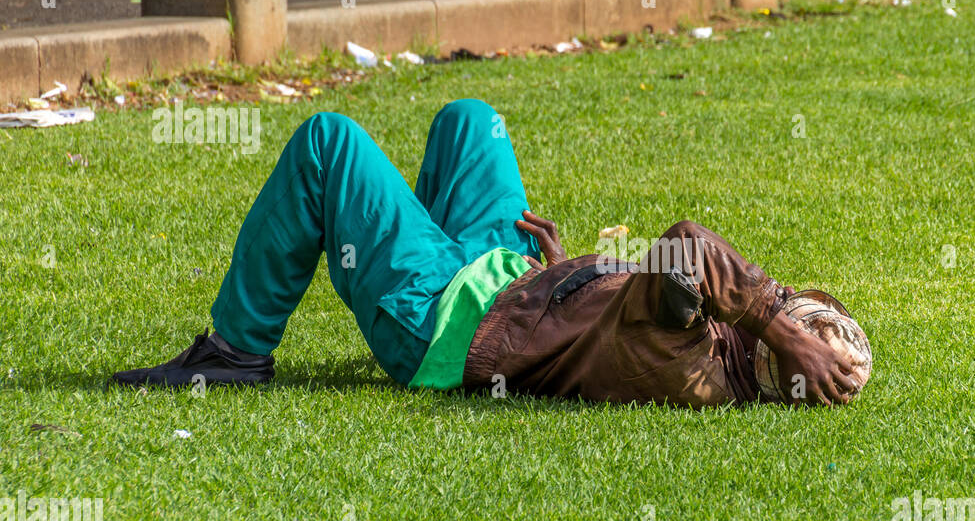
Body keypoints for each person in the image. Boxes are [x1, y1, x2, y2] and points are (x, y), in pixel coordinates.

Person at [112, 100, 871, 407]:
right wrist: (570, 273)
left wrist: (778, 318)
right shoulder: (710, 339)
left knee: (327, 142)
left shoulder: (696, 357)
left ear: (784, 356)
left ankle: (235, 353)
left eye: (807, 323)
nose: (802, 313)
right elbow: (617, 324)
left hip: (446, 322)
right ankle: (403, 236)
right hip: (518, 286)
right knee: (471, 121)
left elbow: (685, 249)